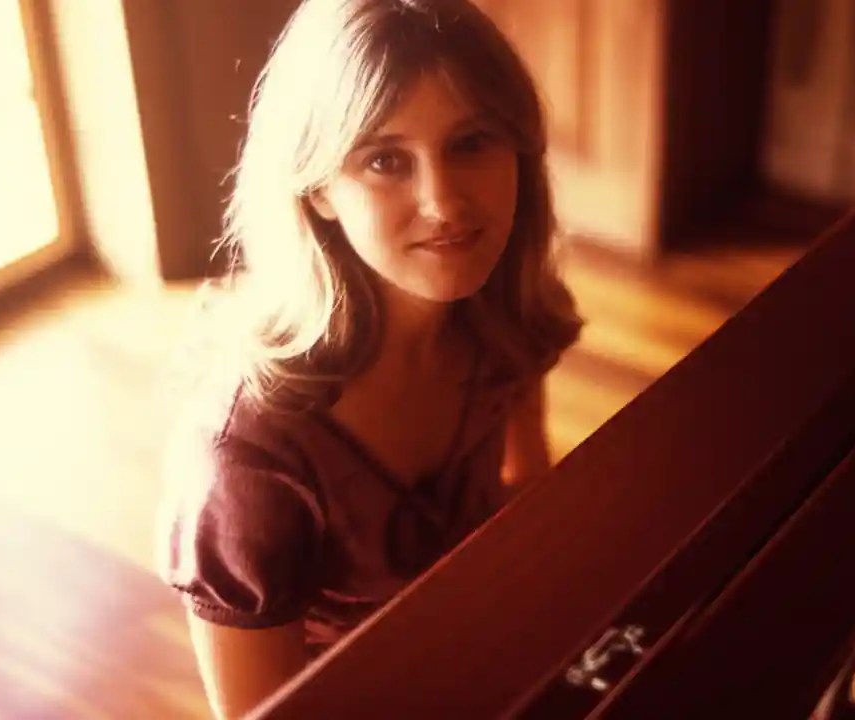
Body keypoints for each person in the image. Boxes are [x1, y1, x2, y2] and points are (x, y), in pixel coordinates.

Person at [155, 0, 582, 716]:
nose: (443, 202)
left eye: (472, 142)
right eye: (386, 160)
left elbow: (527, 498)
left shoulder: (502, 318)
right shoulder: (245, 459)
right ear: (316, 189)